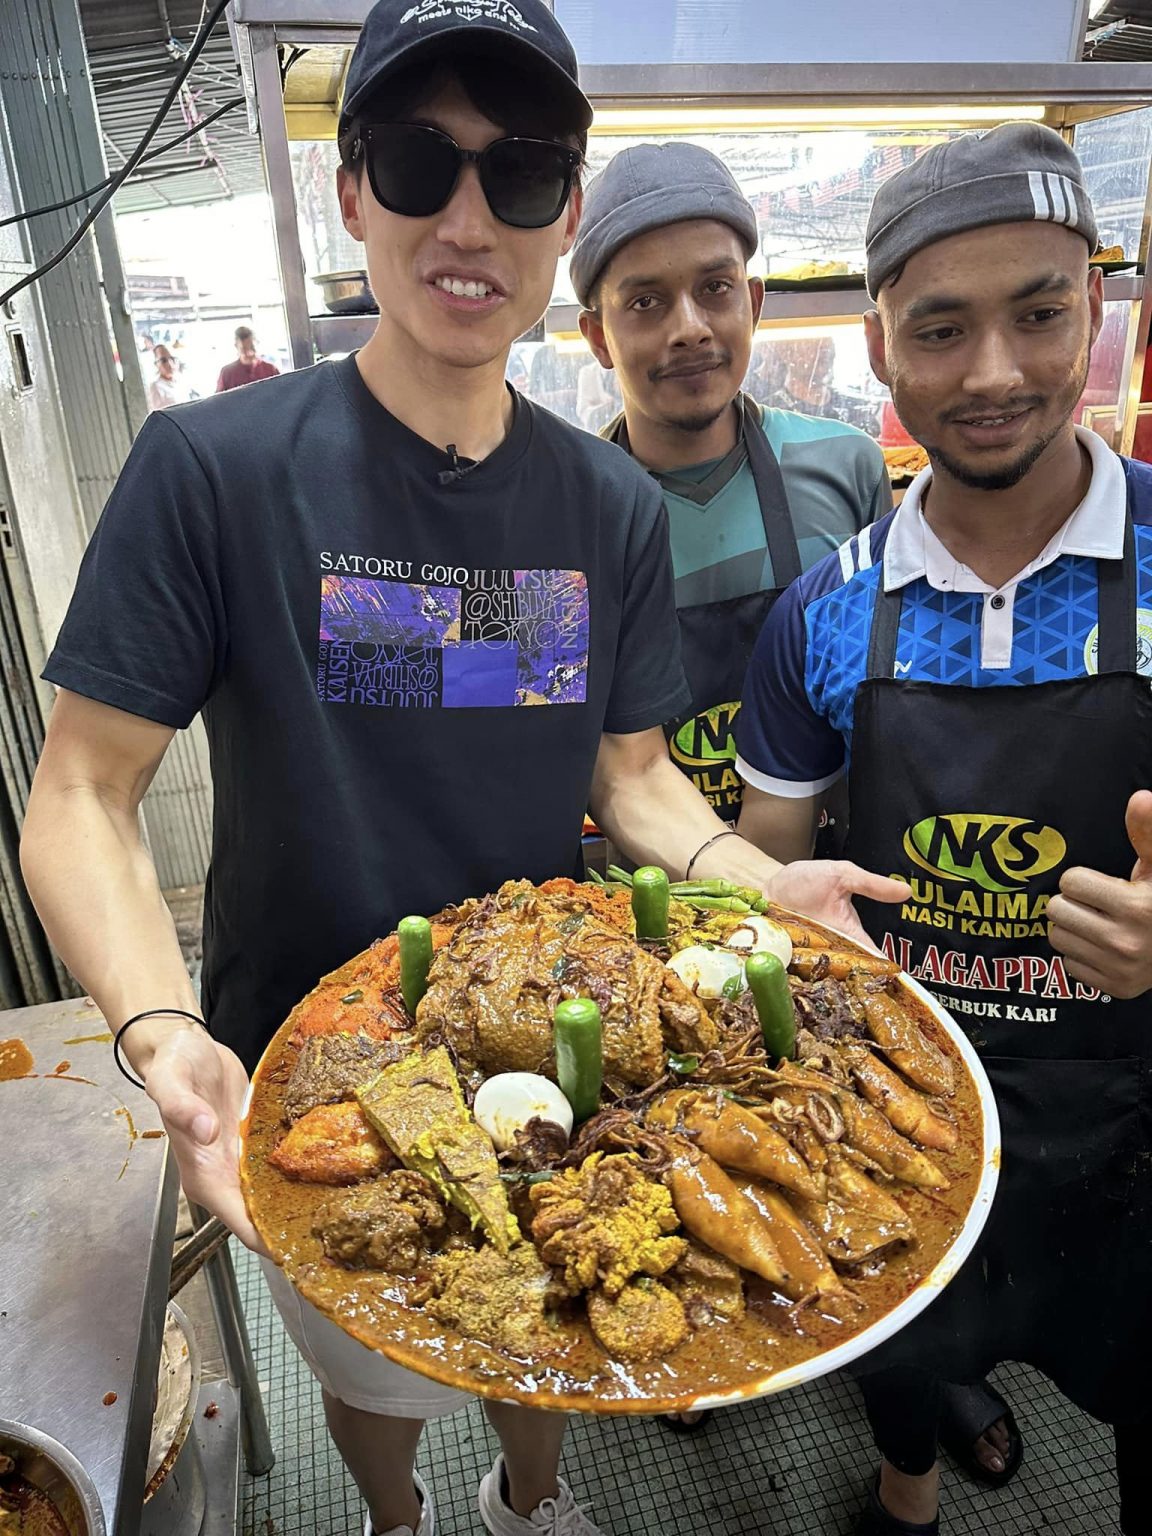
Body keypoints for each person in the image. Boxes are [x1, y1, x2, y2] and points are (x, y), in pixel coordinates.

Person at [20, 5, 907, 1536]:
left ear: (565, 212)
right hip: (316, 1065)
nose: (466, 217)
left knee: (547, 1289)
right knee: (374, 1359)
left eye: (522, 173)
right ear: (351, 191)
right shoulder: (213, 470)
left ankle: (527, 1501)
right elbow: (84, 794)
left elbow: (633, 783)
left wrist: (762, 881)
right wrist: (162, 1030)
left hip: (557, 1046)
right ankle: (400, 1518)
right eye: (420, 162)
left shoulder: (605, 507)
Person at [734, 121, 1152, 1536]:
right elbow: (768, 868)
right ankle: (900, 1499)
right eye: (941, 327)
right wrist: (771, 924)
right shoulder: (824, 612)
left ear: (1095, 305)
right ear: (875, 345)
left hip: (1137, 1123)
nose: (992, 373)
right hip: (898, 1109)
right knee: (903, 1367)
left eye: (1038, 315)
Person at [570, 142, 890, 841]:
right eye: (646, 302)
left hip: (827, 878)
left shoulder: (848, 469)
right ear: (597, 336)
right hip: (633, 915)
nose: (689, 328)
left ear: (752, 302)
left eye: (714, 288)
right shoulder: (564, 509)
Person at [215, 324, 280, 392]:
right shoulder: (227, 373)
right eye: (244, 349)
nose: (250, 353)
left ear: (257, 343)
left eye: (252, 348)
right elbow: (218, 401)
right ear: (236, 347)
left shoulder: (271, 370)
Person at [147, 346, 190, 412]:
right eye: (163, 360)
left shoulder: (182, 382)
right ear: (156, 364)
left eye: (172, 358)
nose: (170, 364)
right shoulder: (155, 387)